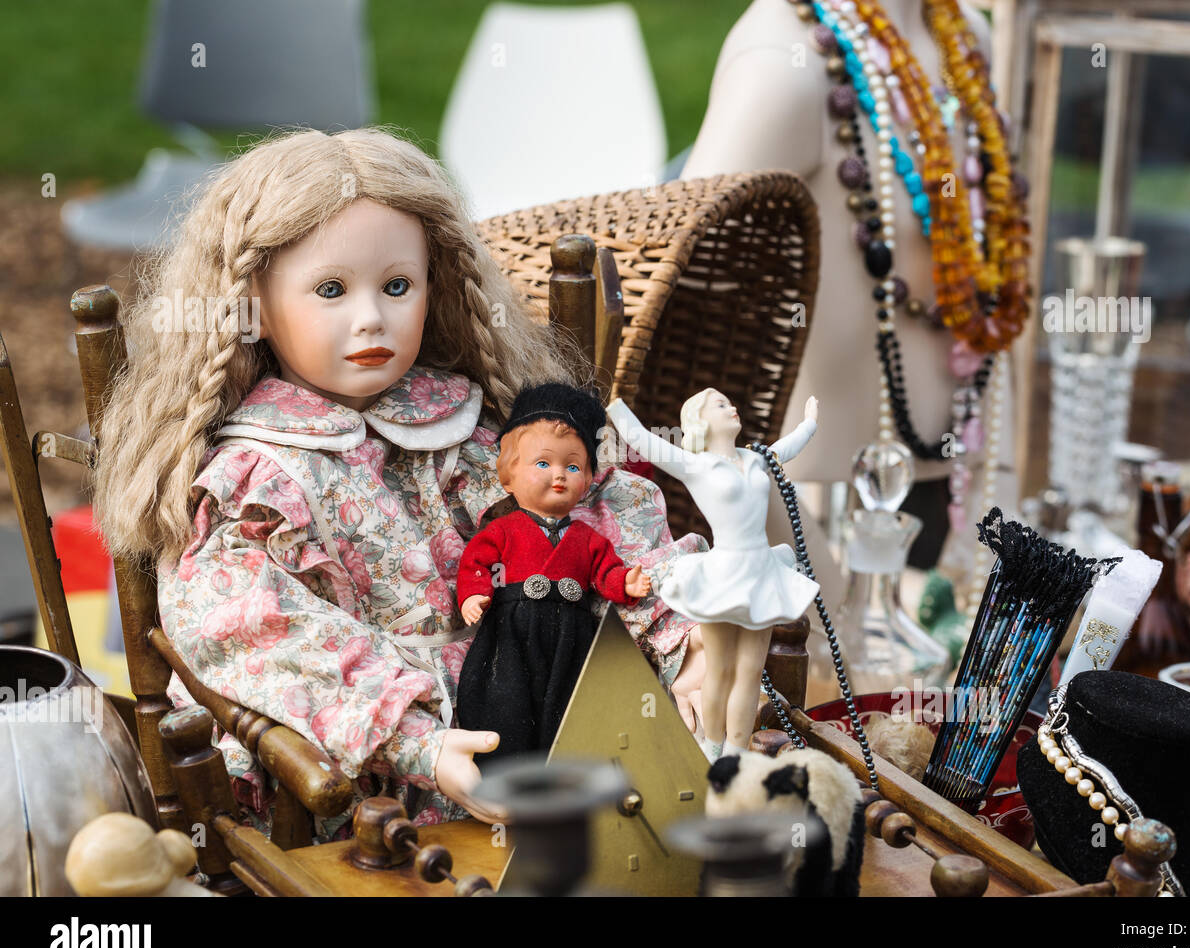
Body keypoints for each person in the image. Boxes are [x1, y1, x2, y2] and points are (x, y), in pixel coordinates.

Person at [92, 128, 706, 839]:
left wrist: (682, 635)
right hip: (371, 787)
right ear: (252, 302)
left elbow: (595, 523)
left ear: (432, 285)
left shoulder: (466, 428)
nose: (370, 318)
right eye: (330, 290)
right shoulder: (257, 479)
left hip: (544, 723)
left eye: (396, 286)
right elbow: (252, 626)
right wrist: (416, 738)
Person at [606, 389, 820, 762]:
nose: (733, 407)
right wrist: (616, 407)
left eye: (730, 402)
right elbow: (644, 440)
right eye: (720, 405)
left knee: (751, 671)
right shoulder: (696, 465)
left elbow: (788, 447)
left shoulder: (756, 458)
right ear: (701, 421)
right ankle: (712, 746)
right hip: (723, 575)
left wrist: (809, 424)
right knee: (719, 669)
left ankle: (736, 752)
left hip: (761, 574)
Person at [456, 383, 653, 764]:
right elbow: (476, 562)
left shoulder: (587, 538)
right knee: (508, 699)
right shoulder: (503, 529)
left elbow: (606, 570)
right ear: (509, 475)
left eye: (573, 466)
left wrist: (625, 583)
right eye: (542, 464)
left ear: (587, 482)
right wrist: (473, 595)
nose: (558, 475)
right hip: (512, 629)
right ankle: (507, 771)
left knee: (570, 702)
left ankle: (563, 773)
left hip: (572, 634)